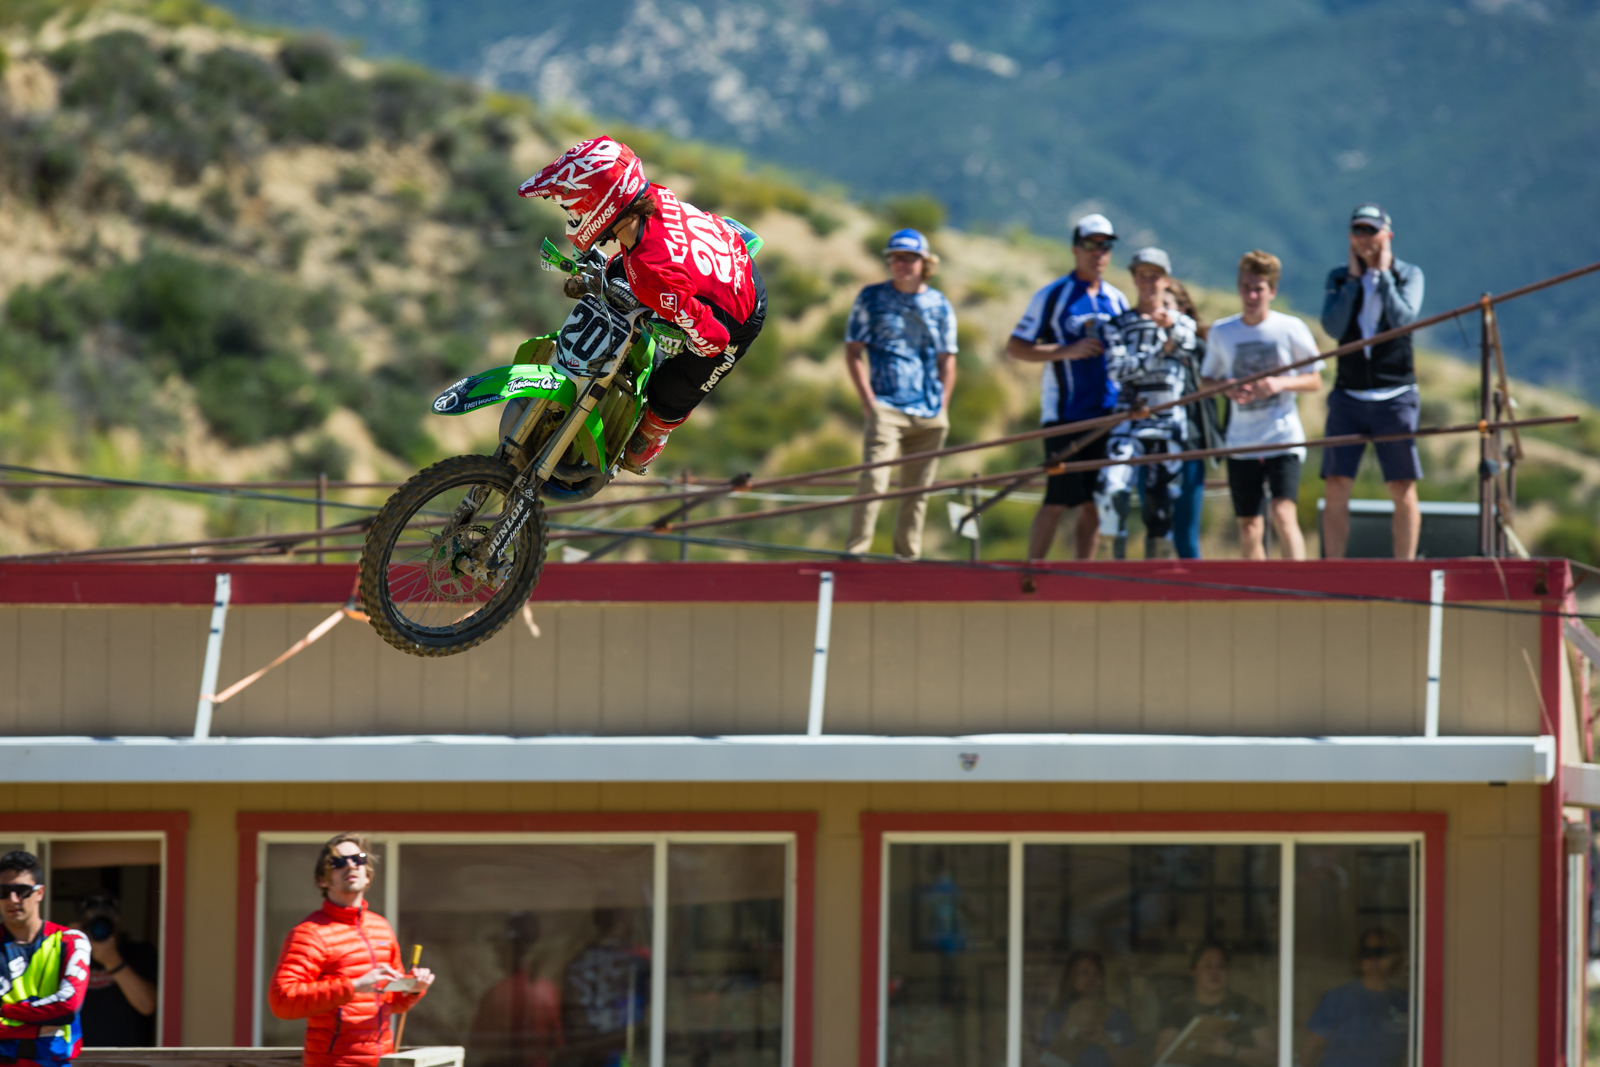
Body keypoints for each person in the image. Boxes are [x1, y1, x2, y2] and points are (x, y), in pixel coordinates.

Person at [518, 136, 767, 474]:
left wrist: (664, 322)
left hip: (735, 316)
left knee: (666, 396)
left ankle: (656, 432)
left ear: (599, 205)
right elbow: (650, 262)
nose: (569, 212)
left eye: (571, 206)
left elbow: (714, 340)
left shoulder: (651, 273)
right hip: (706, 257)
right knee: (622, 275)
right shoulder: (650, 200)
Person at [1007, 213, 1130, 560]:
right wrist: (1065, 351)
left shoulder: (1117, 299)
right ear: (1076, 249)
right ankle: (1032, 568)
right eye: (1092, 245)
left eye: (1106, 246)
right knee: (1058, 498)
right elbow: (1016, 347)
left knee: (1095, 501)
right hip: (1064, 414)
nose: (1099, 253)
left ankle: (1084, 572)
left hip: (1107, 414)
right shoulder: (1054, 295)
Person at [269, 834, 434, 1067]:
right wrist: (354, 986)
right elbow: (282, 1002)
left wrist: (414, 989)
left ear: (368, 876)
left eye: (359, 858)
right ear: (323, 881)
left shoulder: (381, 927)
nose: (351, 865)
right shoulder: (310, 933)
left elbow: (392, 1000)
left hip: (382, 1062)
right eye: (337, 862)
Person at [1319, 203, 1427, 560]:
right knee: (1336, 485)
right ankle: (1332, 567)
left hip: (1394, 394)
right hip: (1348, 394)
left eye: (1371, 231)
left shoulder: (1408, 275)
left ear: (1387, 235)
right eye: (1358, 232)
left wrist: (1382, 277)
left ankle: (1405, 567)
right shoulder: (1339, 278)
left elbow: (1402, 320)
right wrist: (1353, 282)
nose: (1364, 239)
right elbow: (1333, 327)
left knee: (1401, 485)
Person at [842, 228, 958, 559]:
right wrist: (869, 402)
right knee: (874, 481)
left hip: (930, 411)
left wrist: (943, 407)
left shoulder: (939, 304)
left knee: (916, 491)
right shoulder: (871, 297)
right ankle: (855, 553)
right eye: (895, 257)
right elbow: (853, 350)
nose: (902, 263)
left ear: (925, 263)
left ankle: (907, 558)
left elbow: (948, 359)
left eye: (909, 257)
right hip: (887, 407)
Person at [1201, 250, 1323, 560]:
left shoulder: (1290, 328)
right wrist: (1227, 389)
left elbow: (1314, 380)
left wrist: (1280, 383)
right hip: (1241, 440)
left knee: (1283, 513)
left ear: (1272, 291)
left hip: (1282, 437)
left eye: (1258, 288)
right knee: (1249, 526)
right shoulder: (1222, 332)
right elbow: (1206, 381)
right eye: (1245, 287)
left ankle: (1298, 587)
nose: (1251, 295)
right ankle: (1259, 593)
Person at [1100, 248, 1205, 559]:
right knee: (1112, 488)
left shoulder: (1181, 323)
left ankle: (1156, 575)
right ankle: (1110, 565)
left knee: (1161, 505)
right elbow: (1117, 370)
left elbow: (1188, 347)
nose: (1148, 283)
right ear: (1134, 279)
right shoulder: (1117, 325)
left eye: (1155, 276)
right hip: (1127, 422)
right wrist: (1161, 353)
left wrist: (1170, 332)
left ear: (1166, 280)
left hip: (1167, 426)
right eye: (1142, 276)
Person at [0, 851, 90, 1067]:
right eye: (3, 891)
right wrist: (41, 1026)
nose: (13, 899)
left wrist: (5, 1010)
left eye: (21, 891)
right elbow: (59, 1011)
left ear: (39, 893)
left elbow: (68, 1006)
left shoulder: (71, 940)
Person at [1167, 279, 1222, 559]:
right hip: (1154, 441)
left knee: (1186, 525)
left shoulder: (1199, 348)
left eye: (1168, 307)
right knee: (1157, 521)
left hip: (1190, 440)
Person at [1300, 928, 1408, 1067]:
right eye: (1367, 953)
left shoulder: (1405, 1003)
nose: (1373, 959)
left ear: (1395, 957)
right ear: (1359, 958)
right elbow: (1308, 1052)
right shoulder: (1337, 999)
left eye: (1381, 952)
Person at [1154, 943, 1273, 1067]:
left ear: (1228, 971)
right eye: (1207, 966)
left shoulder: (1248, 1008)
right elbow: (1161, 1054)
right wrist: (1184, 1044)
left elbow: (1273, 1058)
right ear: (1194, 972)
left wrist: (1232, 1051)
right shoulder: (1177, 1010)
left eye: (1221, 966)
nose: (1214, 972)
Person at [469, 912, 562, 1067]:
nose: (496, 955)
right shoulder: (548, 992)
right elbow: (557, 1042)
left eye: (499, 948)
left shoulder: (495, 995)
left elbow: (477, 1043)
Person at [561, 908, 650, 1067]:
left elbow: (571, 1013)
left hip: (591, 1049)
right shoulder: (635, 960)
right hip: (617, 1048)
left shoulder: (579, 961)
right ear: (620, 921)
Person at [73, 894, 157, 1047]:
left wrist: (112, 960)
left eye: (106, 921)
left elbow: (147, 1005)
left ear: (117, 922)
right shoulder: (73, 954)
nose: (99, 928)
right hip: (79, 1059)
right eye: (93, 922)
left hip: (127, 1060)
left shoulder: (139, 953)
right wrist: (69, 949)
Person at [1035, 951, 1136, 1067]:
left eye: (1097, 973)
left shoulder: (1118, 1016)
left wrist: (1104, 1040)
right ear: (1072, 978)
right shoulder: (1055, 1016)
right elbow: (1044, 1064)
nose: (1091, 978)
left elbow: (1134, 1062)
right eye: (1084, 973)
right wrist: (1070, 1031)